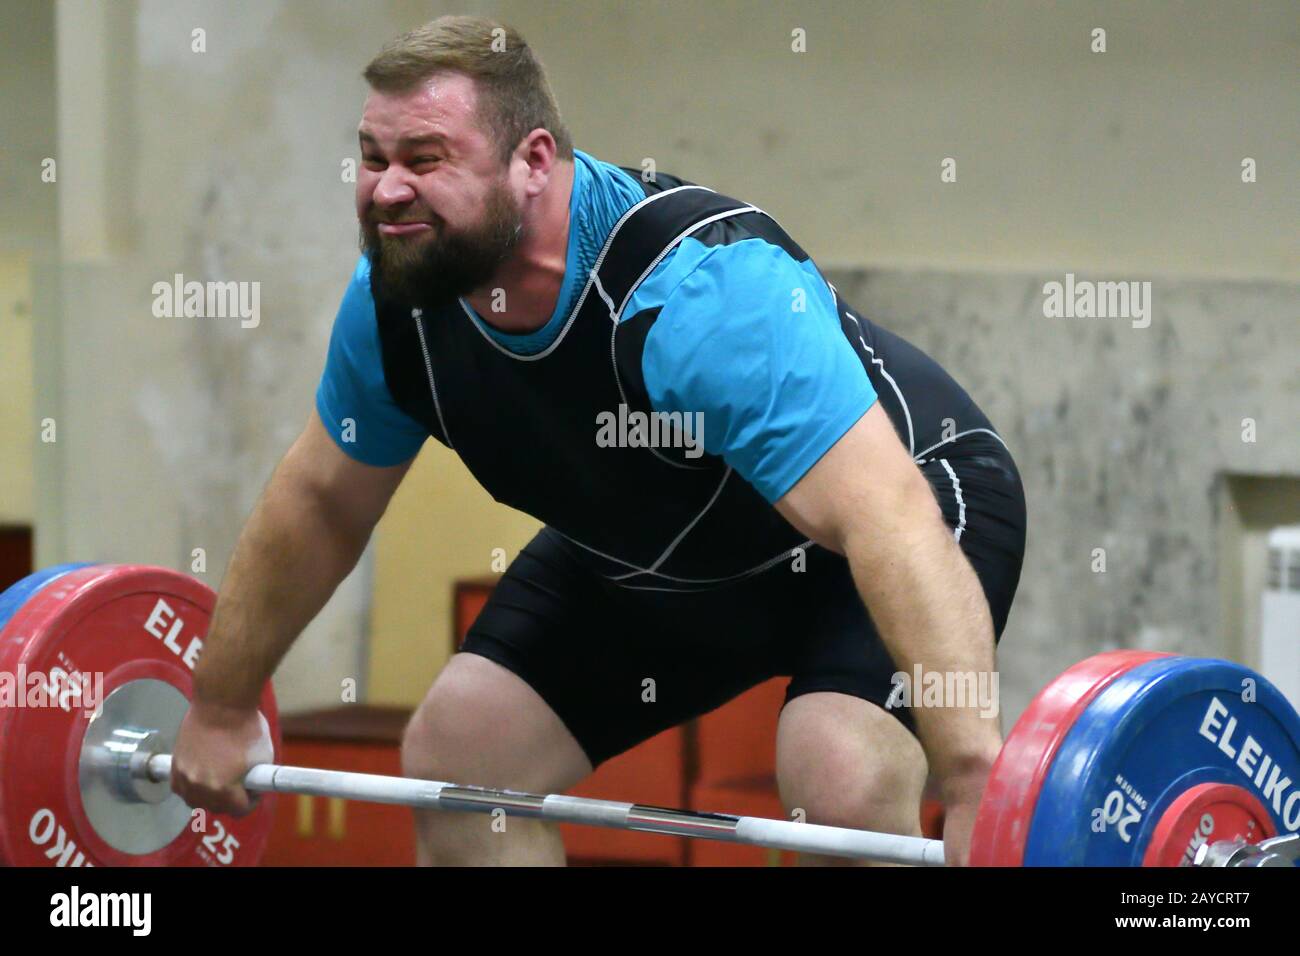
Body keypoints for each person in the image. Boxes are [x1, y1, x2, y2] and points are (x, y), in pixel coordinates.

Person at [171, 14, 1026, 867]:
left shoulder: (697, 295)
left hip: (899, 512)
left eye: (425, 160)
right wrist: (218, 704)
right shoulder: (399, 314)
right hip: (663, 556)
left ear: (534, 161)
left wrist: (972, 774)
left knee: (835, 775)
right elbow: (322, 502)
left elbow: (885, 516)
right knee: (464, 755)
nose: (388, 189)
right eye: (372, 157)